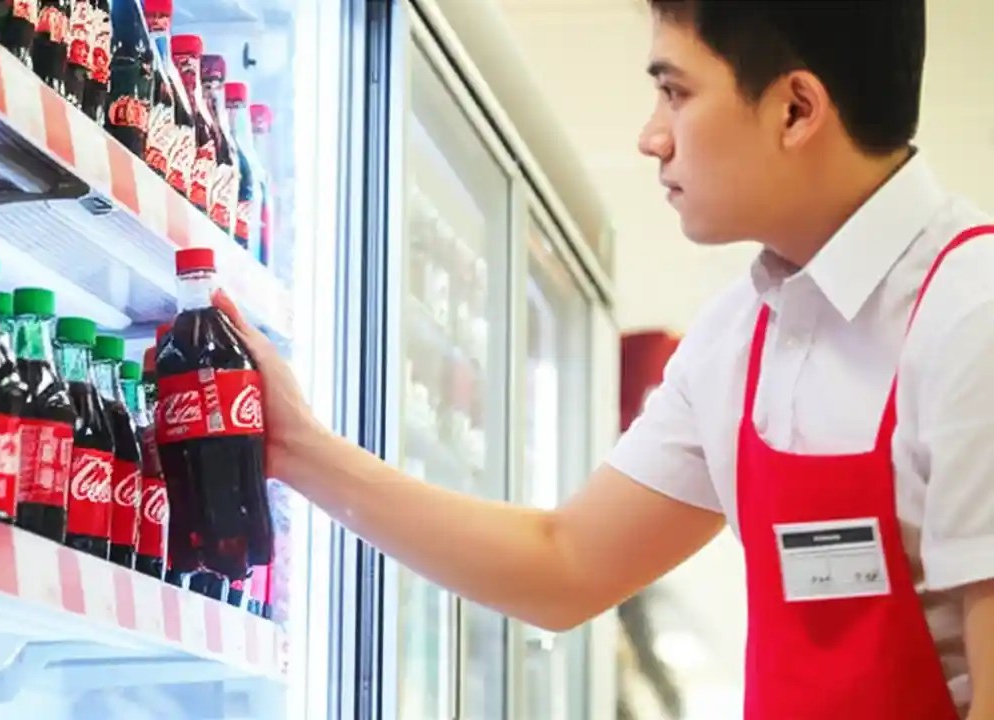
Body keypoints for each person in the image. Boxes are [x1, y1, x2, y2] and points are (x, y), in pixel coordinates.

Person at [215, 1, 994, 718]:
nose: (652, 136)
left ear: (795, 109)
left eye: (676, 93)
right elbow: (566, 565)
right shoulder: (741, 335)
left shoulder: (971, 318)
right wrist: (300, 452)